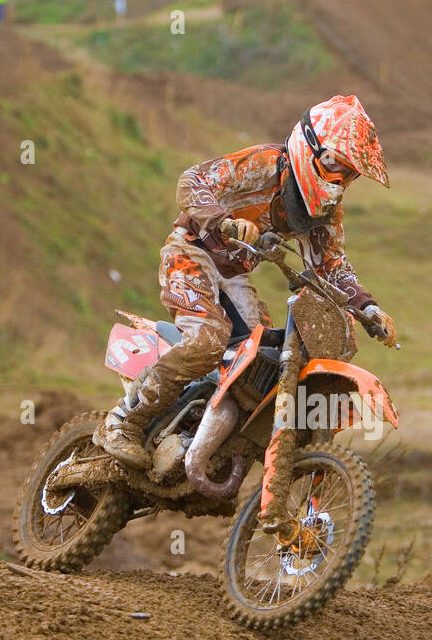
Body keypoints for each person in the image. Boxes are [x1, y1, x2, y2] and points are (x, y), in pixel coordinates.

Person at [95, 94, 397, 469]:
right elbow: (193, 180)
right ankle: (123, 422)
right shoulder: (265, 165)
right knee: (207, 340)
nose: (338, 179)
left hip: (234, 275)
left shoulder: (325, 215)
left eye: (348, 173)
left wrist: (368, 308)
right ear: (309, 145)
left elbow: (332, 267)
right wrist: (221, 219)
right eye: (334, 164)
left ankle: (199, 436)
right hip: (191, 253)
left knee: (261, 364)